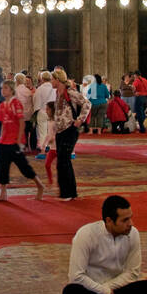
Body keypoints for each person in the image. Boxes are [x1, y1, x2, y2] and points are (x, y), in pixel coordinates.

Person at [61, 195, 147, 294]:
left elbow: (132, 273)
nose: (131, 224)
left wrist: (107, 288)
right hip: (89, 287)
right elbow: (76, 276)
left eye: (130, 218)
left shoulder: (133, 234)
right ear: (109, 221)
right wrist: (101, 290)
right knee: (70, 291)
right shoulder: (86, 234)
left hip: (116, 289)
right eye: (125, 220)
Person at [0, 80, 45, 202]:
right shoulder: (1, 106)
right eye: (2, 88)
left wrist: (19, 140)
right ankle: (3, 193)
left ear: (11, 90)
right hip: (4, 141)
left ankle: (39, 185)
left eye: (6, 88)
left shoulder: (16, 103)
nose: (3, 90)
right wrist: (0, 139)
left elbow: (21, 122)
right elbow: (2, 124)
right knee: (2, 168)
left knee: (24, 166)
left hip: (14, 141)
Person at [48, 70, 89, 199]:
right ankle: (67, 191)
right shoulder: (57, 93)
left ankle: (68, 192)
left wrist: (80, 120)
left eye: (52, 79)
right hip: (60, 131)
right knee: (62, 161)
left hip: (69, 130)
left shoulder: (69, 92)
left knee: (63, 161)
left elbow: (87, 103)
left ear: (58, 80)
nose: (51, 82)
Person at [32, 71, 56, 157]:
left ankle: (43, 148)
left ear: (42, 79)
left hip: (42, 111)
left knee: (42, 132)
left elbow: (36, 101)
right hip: (53, 112)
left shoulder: (40, 89)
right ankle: (50, 147)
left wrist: (36, 110)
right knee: (51, 131)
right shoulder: (54, 88)